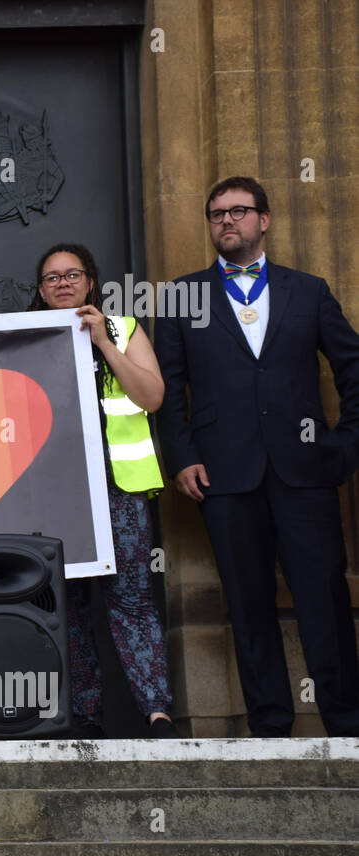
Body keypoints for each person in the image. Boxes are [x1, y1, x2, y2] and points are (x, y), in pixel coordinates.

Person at [155, 176, 359, 737]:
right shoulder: (181, 298)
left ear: (264, 220)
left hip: (306, 472)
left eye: (239, 211)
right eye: (217, 213)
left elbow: (352, 368)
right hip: (223, 475)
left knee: (324, 596)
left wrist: (343, 444)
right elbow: (169, 390)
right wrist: (182, 457)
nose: (227, 221)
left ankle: (346, 723)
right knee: (247, 603)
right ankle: (269, 725)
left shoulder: (309, 291)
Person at [0, 242, 177, 737]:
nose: (63, 283)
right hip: (52, 494)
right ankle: (85, 719)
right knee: (64, 609)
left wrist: (105, 344)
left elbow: (153, 396)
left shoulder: (122, 328)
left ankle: (156, 713)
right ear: (40, 289)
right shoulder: (23, 336)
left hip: (120, 491)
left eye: (73, 275)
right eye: (52, 278)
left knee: (133, 602)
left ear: (91, 281)